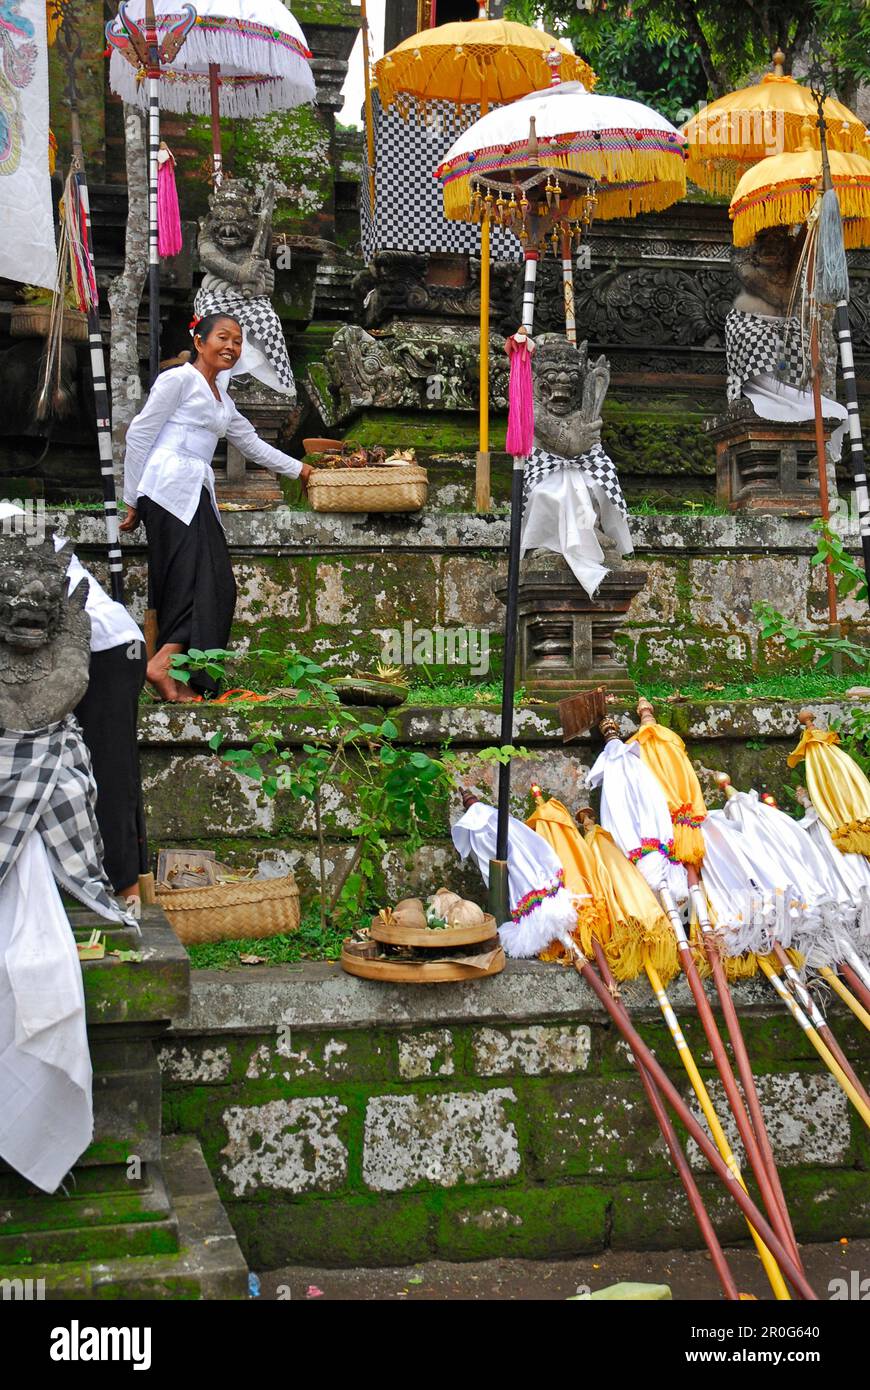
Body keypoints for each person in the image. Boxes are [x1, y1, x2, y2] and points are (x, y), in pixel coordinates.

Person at [120, 313, 312, 702]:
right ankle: (163, 669)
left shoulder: (222, 398)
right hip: (166, 490)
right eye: (223, 338)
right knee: (191, 584)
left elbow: (253, 445)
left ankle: (176, 675)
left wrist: (303, 470)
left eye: (238, 341)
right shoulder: (178, 380)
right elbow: (140, 433)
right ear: (200, 342)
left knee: (217, 585)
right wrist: (132, 497)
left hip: (197, 493)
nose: (231, 347)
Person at [0, 502, 146, 910]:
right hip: (52, 651)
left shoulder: (15, 520)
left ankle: (125, 888)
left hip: (107, 648)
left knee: (109, 770)